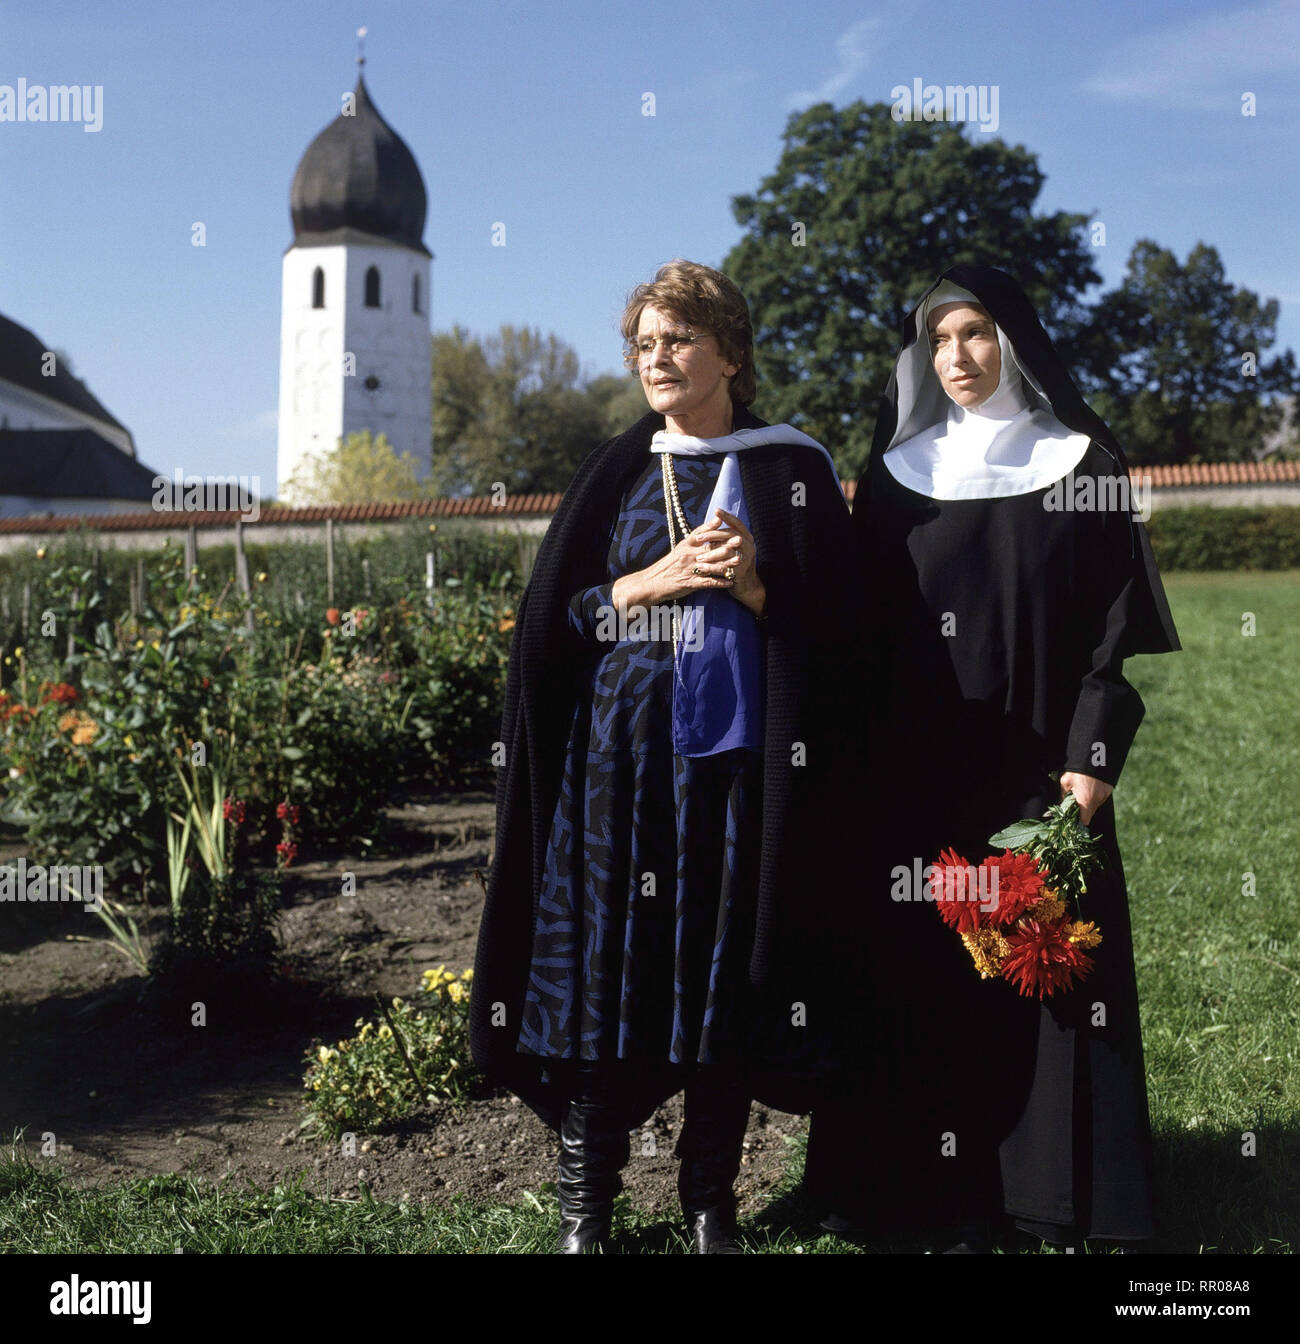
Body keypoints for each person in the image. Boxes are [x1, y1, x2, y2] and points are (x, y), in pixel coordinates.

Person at [470, 259, 864, 1253]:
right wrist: (649, 581)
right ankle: (584, 1210)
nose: (657, 359)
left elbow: (853, 634)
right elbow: (554, 629)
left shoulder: (792, 471)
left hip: (735, 783)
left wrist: (763, 595)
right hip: (621, 781)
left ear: (729, 351)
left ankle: (707, 1204)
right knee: (610, 986)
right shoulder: (615, 471)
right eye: (643, 344)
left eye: (677, 339)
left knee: (724, 987)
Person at [805, 264, 1181, 1251]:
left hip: (1047, 782)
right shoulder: (896, 475)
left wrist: (1092, 760)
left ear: (1013, 338)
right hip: (918, 780)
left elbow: (1114, 629)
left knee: (1054, 987)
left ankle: (1058, 1199)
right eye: (937, 340)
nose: (956, 358)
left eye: (974, 334)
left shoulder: (1082, 459)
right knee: (922, 984)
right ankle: (927, 1197)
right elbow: (859, 631)